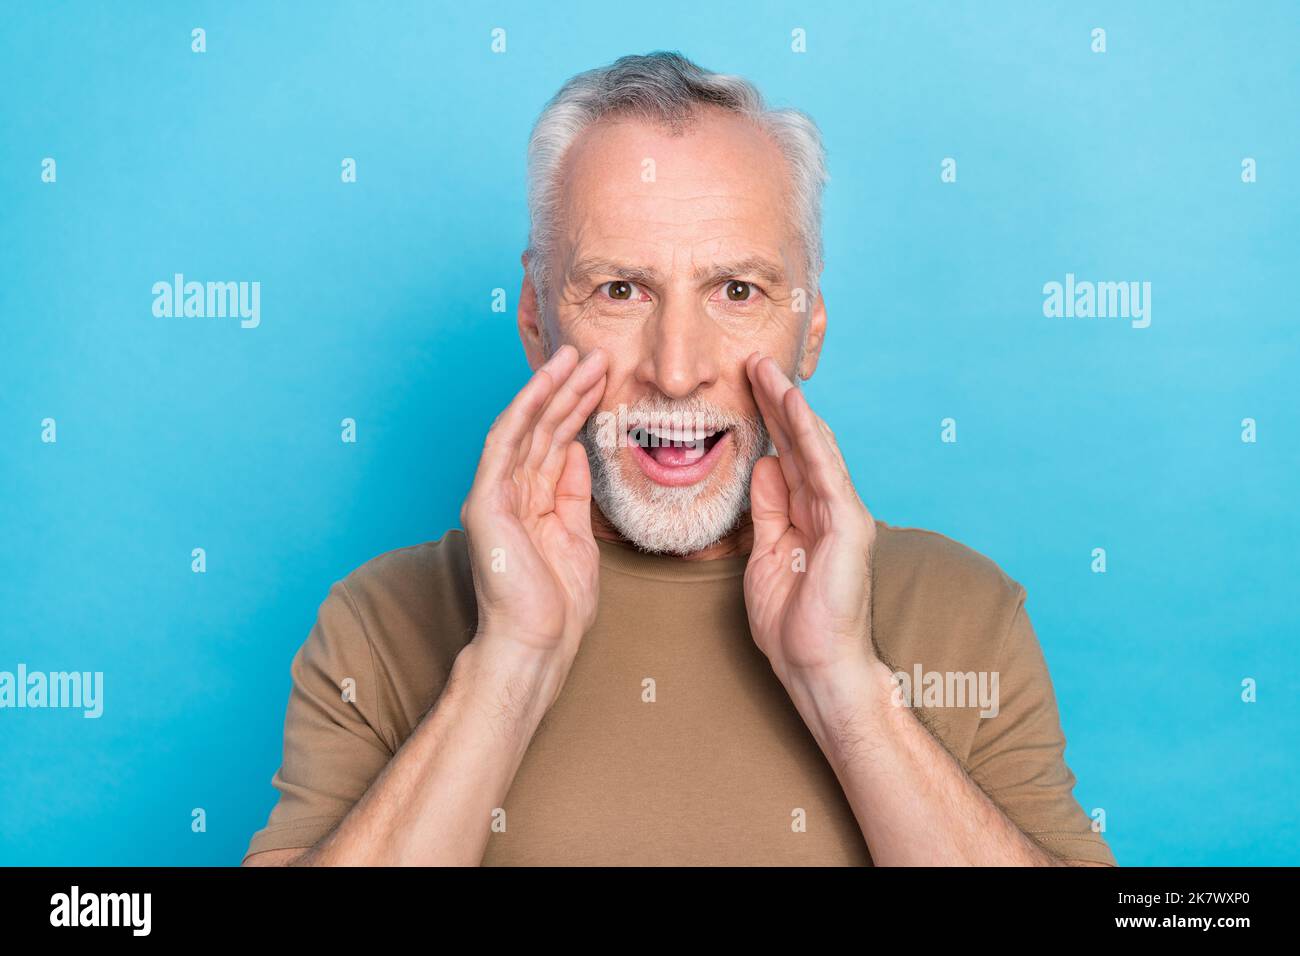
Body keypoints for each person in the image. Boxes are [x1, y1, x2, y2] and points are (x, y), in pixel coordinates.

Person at [242, 51, 1116, 866]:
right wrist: (507, 665)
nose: (676, 368)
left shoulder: (964, 610)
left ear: (810, 325)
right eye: (620, 290)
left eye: (737, 291)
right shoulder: (383, 620)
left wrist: (844, 687)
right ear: (537, 318)